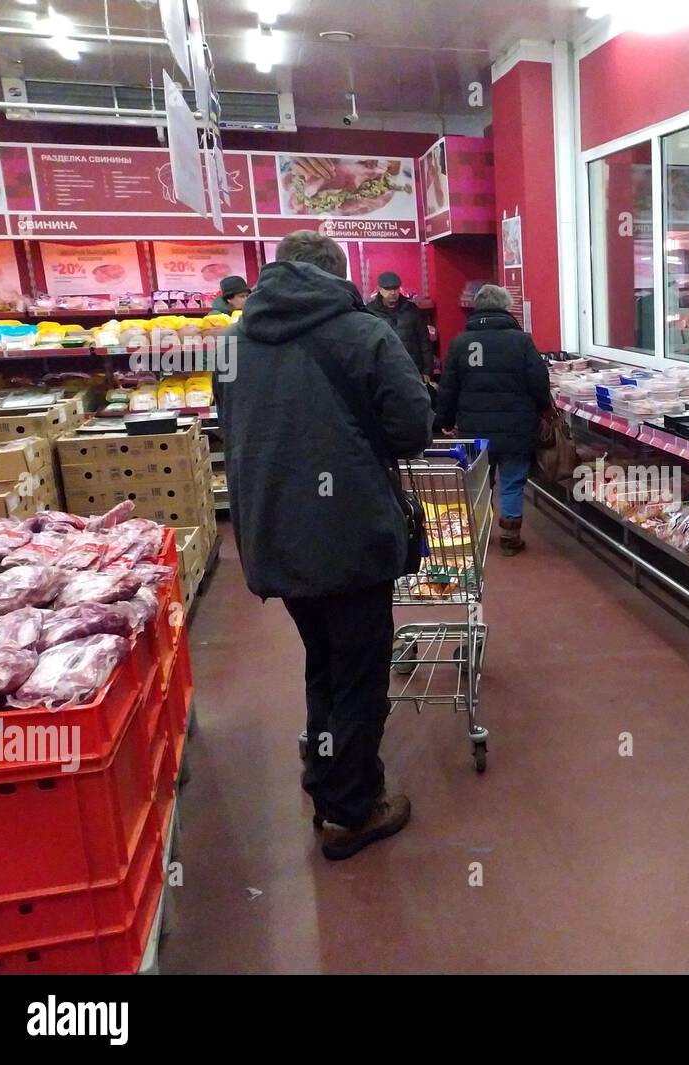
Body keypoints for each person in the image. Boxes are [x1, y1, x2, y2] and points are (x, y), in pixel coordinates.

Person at [214, 230, 433, 861]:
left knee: (324, 660)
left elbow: (229, 423)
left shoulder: (232, 342)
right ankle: (349, 812)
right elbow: (412, 428)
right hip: (351, 533)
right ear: (338, 273)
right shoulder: (364, 334)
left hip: (272, 532)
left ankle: (327, 770)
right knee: (360, 674)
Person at [437, 284, 550, 556]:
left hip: (473, 427)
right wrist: (541, 408)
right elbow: (539, 382)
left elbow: (448, 387)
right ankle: (510, 536)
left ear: (477, 307)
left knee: (479, 481)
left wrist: (445, 419)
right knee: (512, 480)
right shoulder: (521, 341)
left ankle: (480, 534)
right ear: (505, 307)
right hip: (515, 427)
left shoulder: (460, 342)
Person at [366, 271, 434, 381]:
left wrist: (427, 370)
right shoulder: (370, 312)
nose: (393, 292)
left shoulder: (412, 310)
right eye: (388, 289)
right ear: (380, 290)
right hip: (383, 372)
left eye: (396, 288)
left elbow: (424, 341)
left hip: (412, 369)